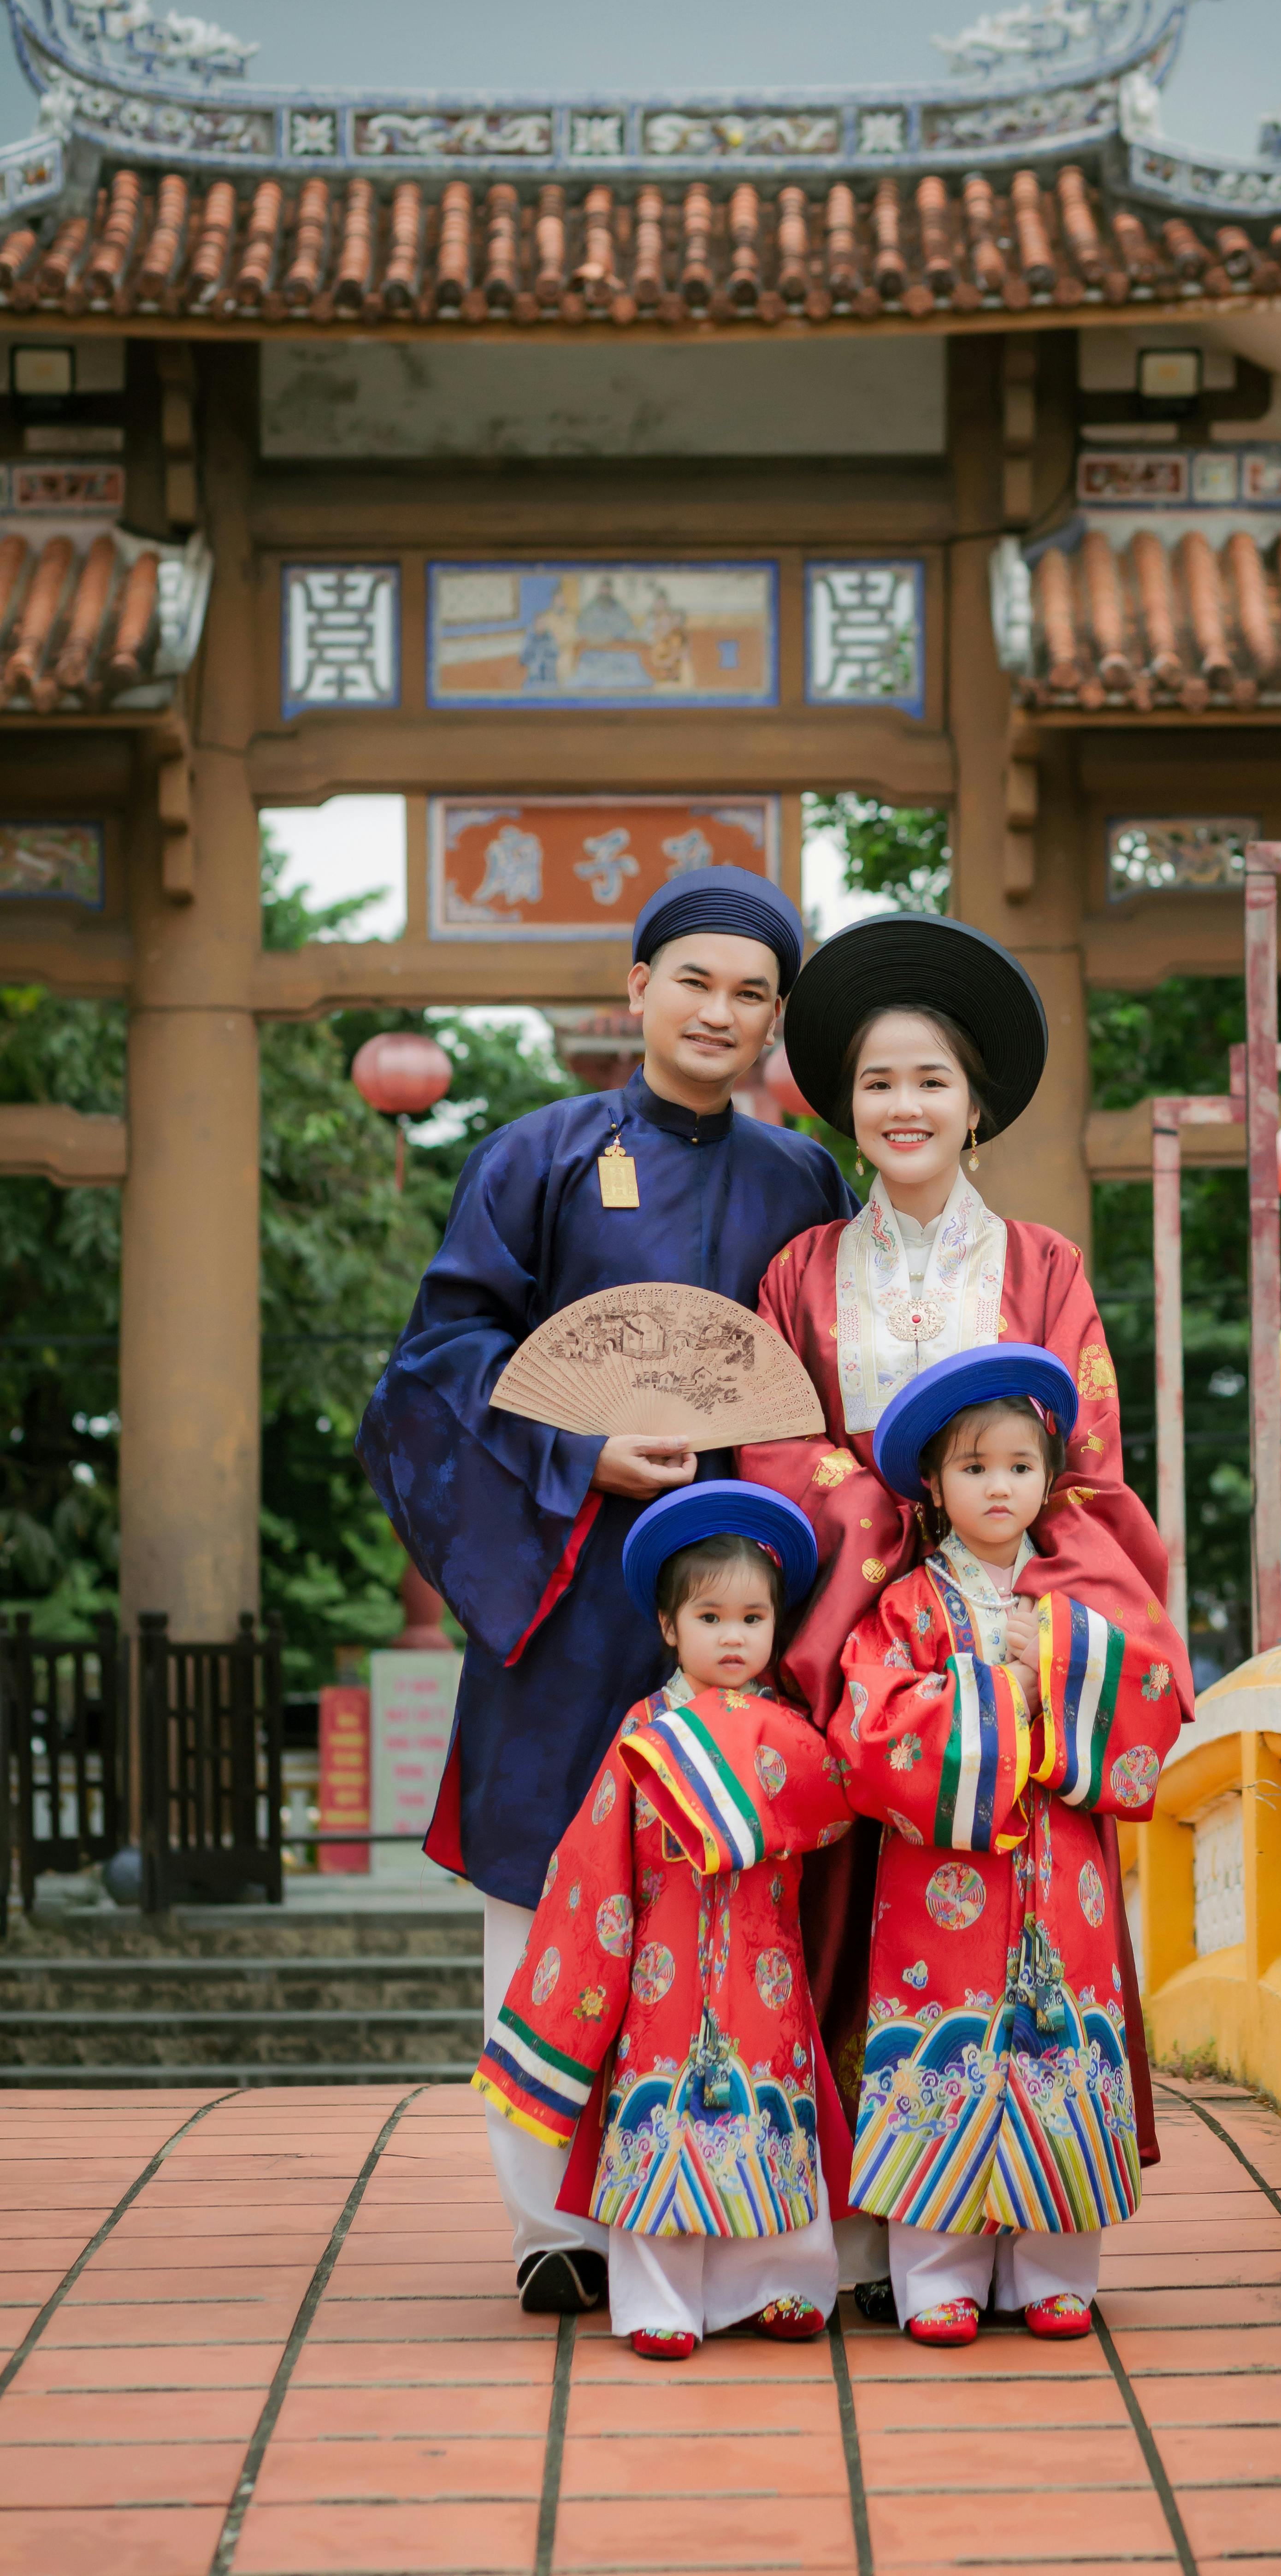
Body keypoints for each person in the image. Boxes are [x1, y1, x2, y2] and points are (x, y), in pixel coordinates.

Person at [357, 866, 855, 2315]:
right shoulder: (539, 1158)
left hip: (748, 1598)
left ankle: (747, 2213)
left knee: (749, 1890)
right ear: (636, 988)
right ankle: (554, 2230)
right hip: (572, 1588)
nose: (719, 1012)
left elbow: (826, 1386)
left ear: (776, 1019)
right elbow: (438, 1365)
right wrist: (582, 1453)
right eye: (693, 980)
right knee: (546, 1895)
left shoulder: (803, 1180)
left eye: (752, 993)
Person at [738, 915, 1192, 2304]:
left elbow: (1089, 1464)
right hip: (872, 1650)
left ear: (976, 1104)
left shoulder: (1044, 1268)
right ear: (845, 1104)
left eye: (930, 1080)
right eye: (878, 1082)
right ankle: (878, 2243)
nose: (905, 1106)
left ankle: (1033, 2235)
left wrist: (1010, 1595)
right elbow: (779, 1450)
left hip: (1012, 1628)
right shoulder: (799, 1272)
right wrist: (899, 1565)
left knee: (1037, 1938)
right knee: (851, 1928)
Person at [828, 1344, 1184, 2345]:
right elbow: (871, 1729)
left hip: (1062, 1874)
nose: (999, 1486)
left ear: (1049, 1477)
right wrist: (1007, 1689)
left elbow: (1157, 1694)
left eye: (1021, 1466)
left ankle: (1054, 2270)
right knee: (938, 2052)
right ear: (934, 1487)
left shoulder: (1085, 1599)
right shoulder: (904, 1607)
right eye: (975, 1467)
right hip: (941, 1887)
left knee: (1059, 2046)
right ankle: (935, 2275)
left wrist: (1068, 1660)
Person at [472, 1483, 854, 2360]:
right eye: (710, 1617)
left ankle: (782, 2284)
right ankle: (659, 2299)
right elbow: (593, 1869)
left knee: (771, 2118)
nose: (733, 1637)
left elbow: (832, 1814)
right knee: (661, 2126)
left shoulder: (789, 1732)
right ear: (668, 1628)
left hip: (762, 1974)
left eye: (753, 1618)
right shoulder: (643, 1732)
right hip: (662, 1977)